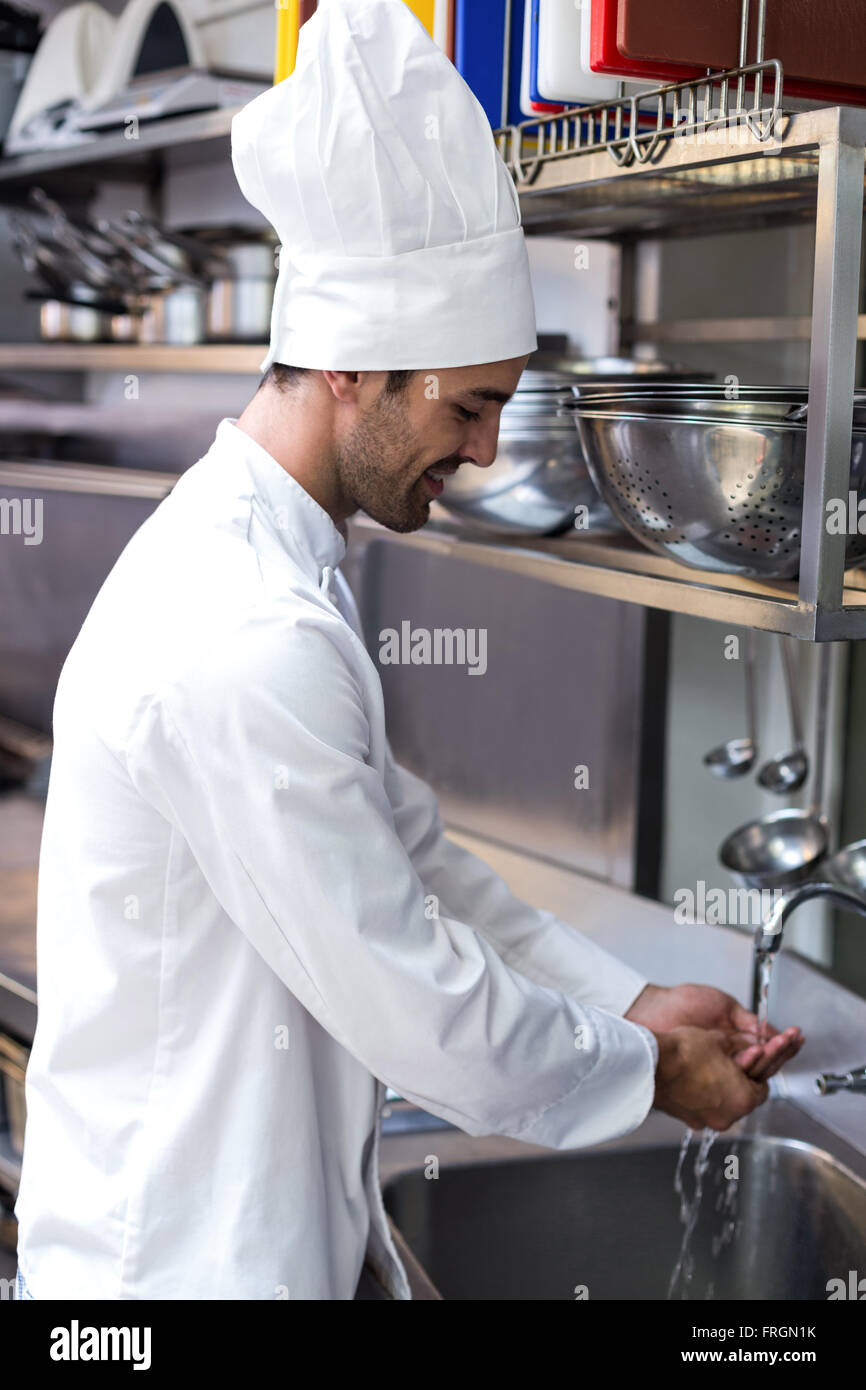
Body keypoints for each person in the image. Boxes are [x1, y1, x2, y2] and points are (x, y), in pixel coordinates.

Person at [14, 0, 802, 1301]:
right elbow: (420, 1005)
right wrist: (652, 1072)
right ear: (350, 370)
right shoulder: (242, 632)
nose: (487, 448)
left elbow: (416, 868)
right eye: (471, 403)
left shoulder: (277, 568)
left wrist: (625, 1002)